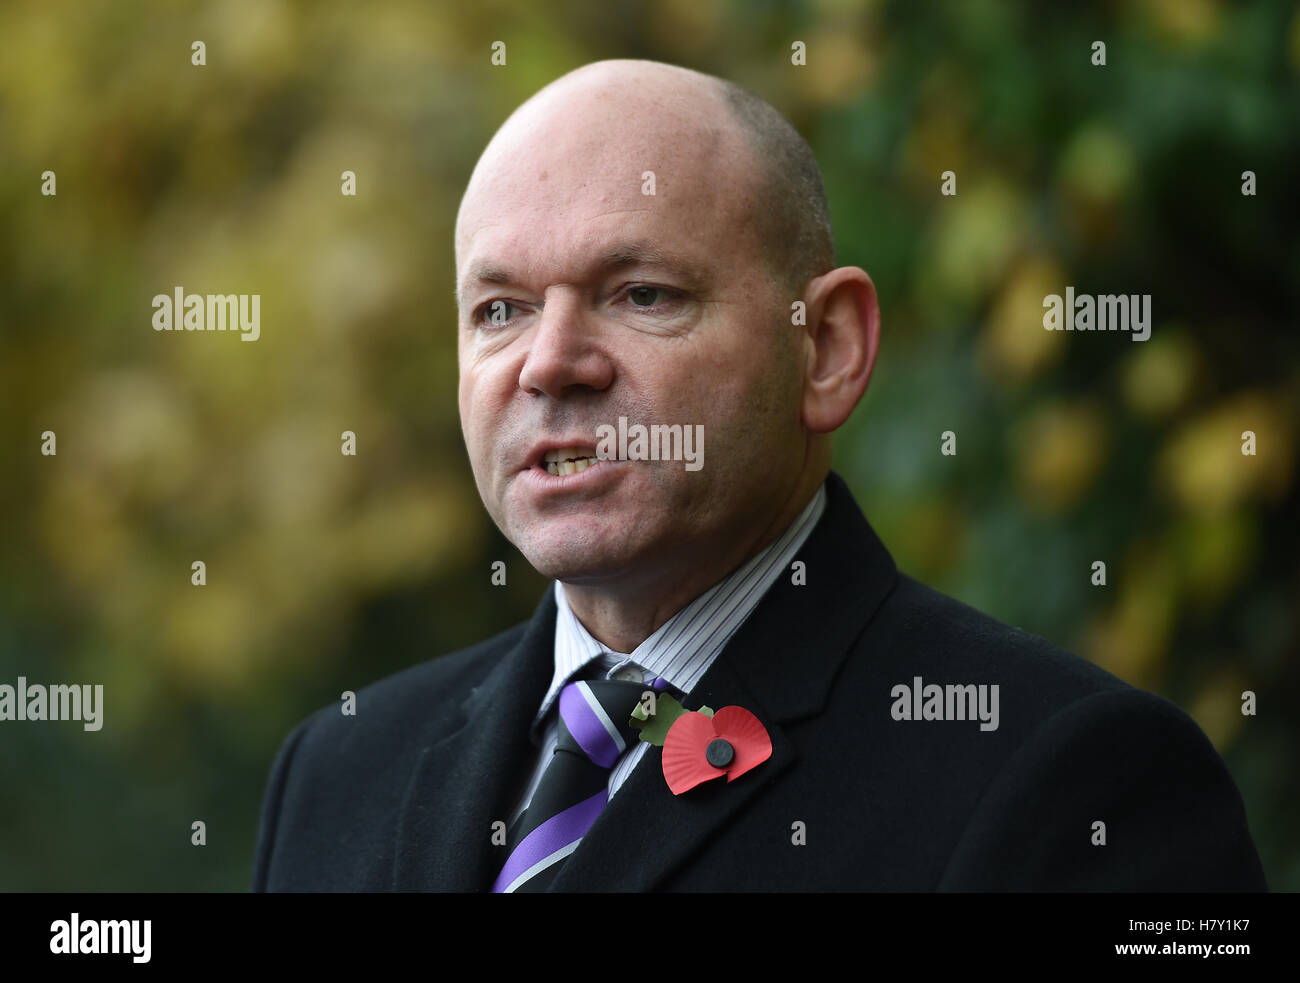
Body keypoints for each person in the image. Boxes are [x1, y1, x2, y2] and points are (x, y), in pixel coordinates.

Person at [252, 59, 1267, 892]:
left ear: (824, 347)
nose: (549, 361)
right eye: (500, 310)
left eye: (640, 293)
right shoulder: (336, 773)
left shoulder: (1070, 781)